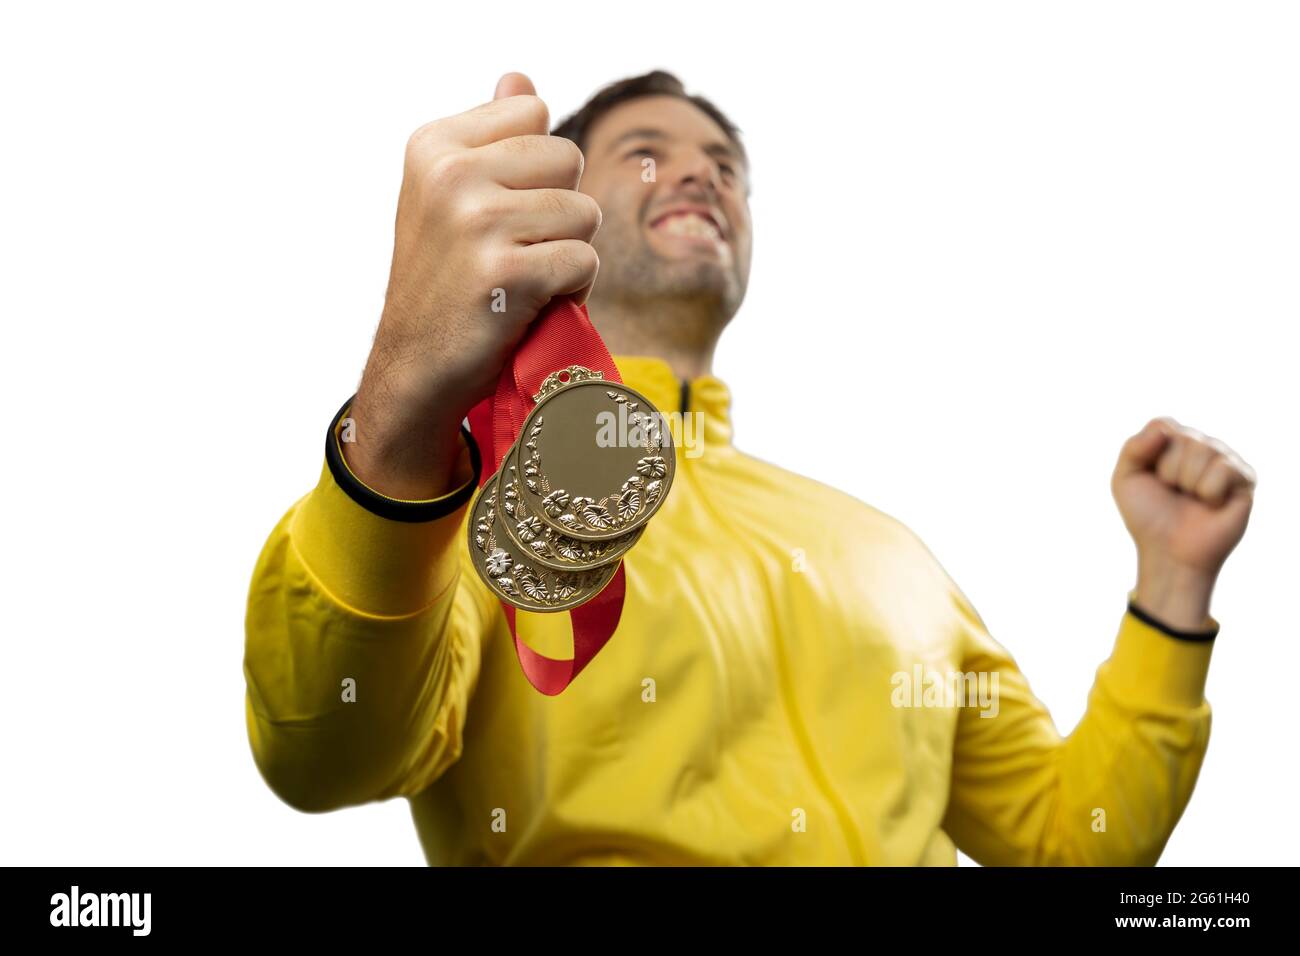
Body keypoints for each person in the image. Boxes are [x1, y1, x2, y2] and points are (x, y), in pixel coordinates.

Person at [242, 70, 1256, 865]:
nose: (702, 176)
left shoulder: (888, 551)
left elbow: (1069, 839)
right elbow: (324, 755)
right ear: (556, 203)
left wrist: (1172, 589)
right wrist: (393, 425)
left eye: (726, 165)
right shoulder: (460, 505)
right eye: (645, 153)